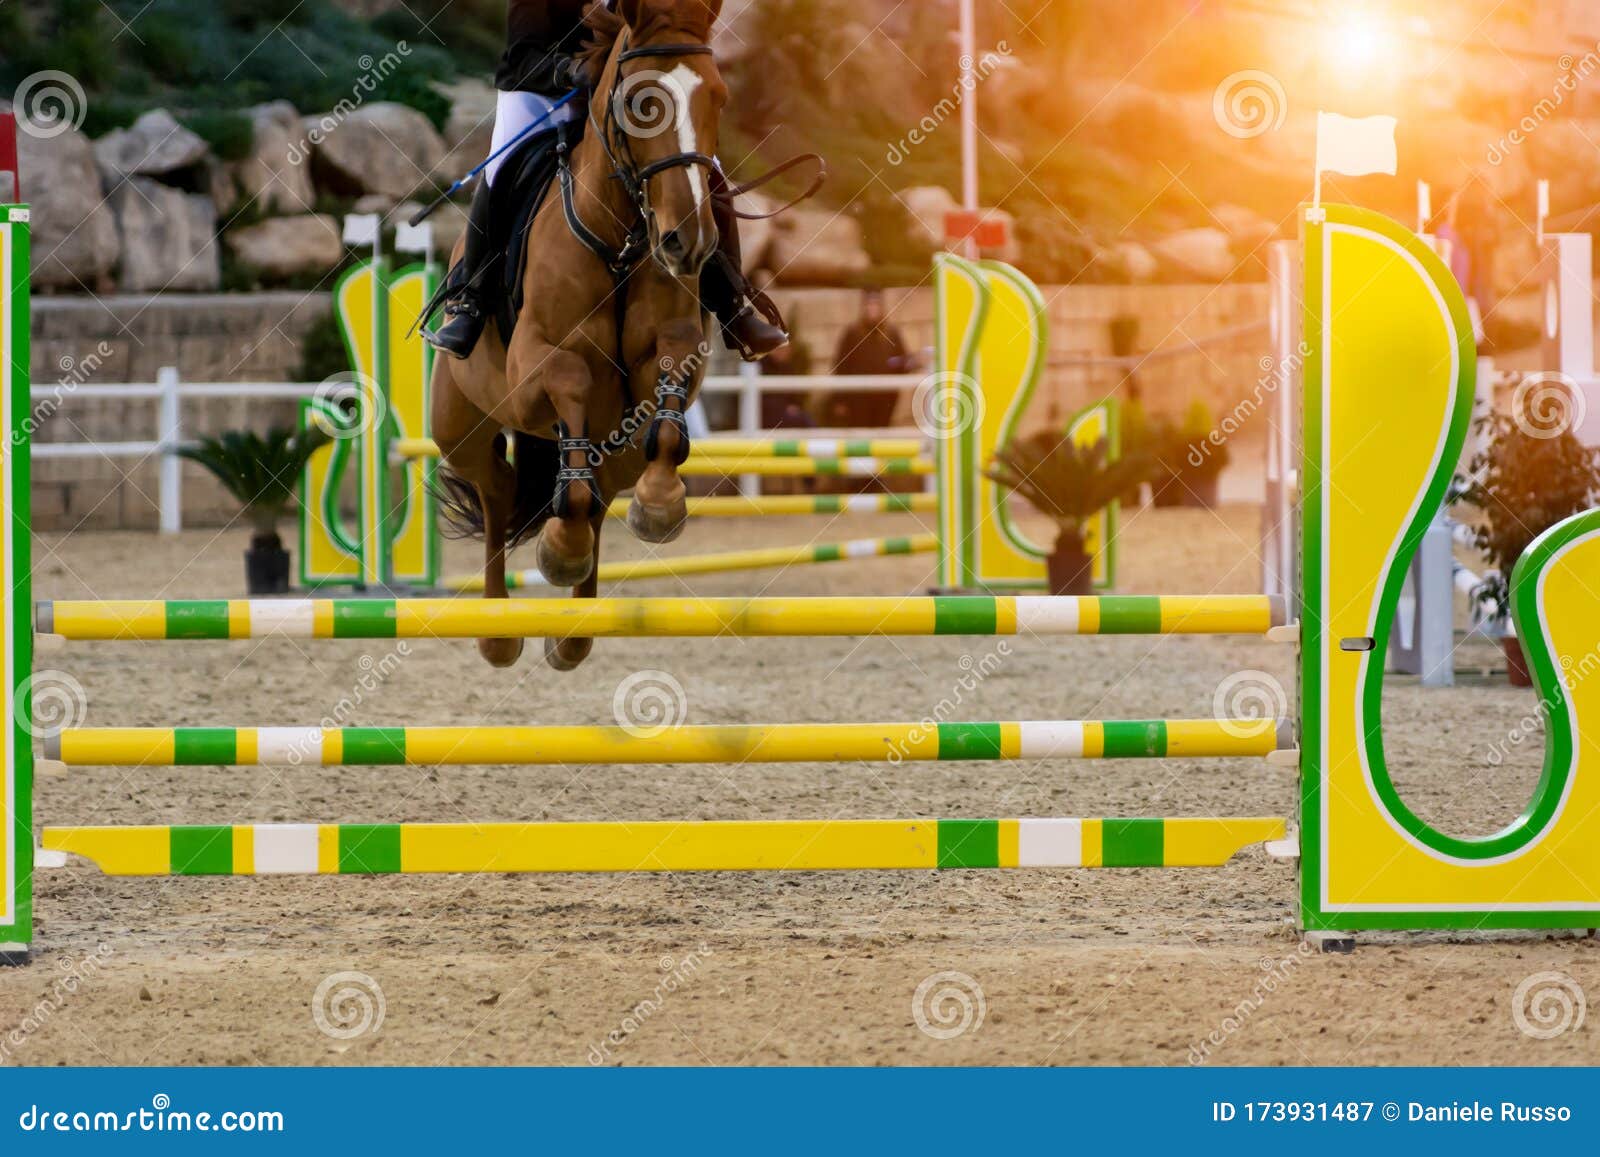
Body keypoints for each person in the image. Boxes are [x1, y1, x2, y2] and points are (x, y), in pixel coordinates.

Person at [427, 0, 788, 363]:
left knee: (705, 167)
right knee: (503, 164)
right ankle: (470, 300)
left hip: (628, 87)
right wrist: (570, 71)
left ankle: (732, 306)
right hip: (542, 91)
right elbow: (523, 56)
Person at [826, 288, 912, 427]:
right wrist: (839, 399)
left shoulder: (891, 333)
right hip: (858, 397)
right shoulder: (852, 333)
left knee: (880, 434)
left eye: (876, 305)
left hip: (885, 397)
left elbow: (903, 361)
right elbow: (841, 365)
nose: (872, 309)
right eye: (869, 305)